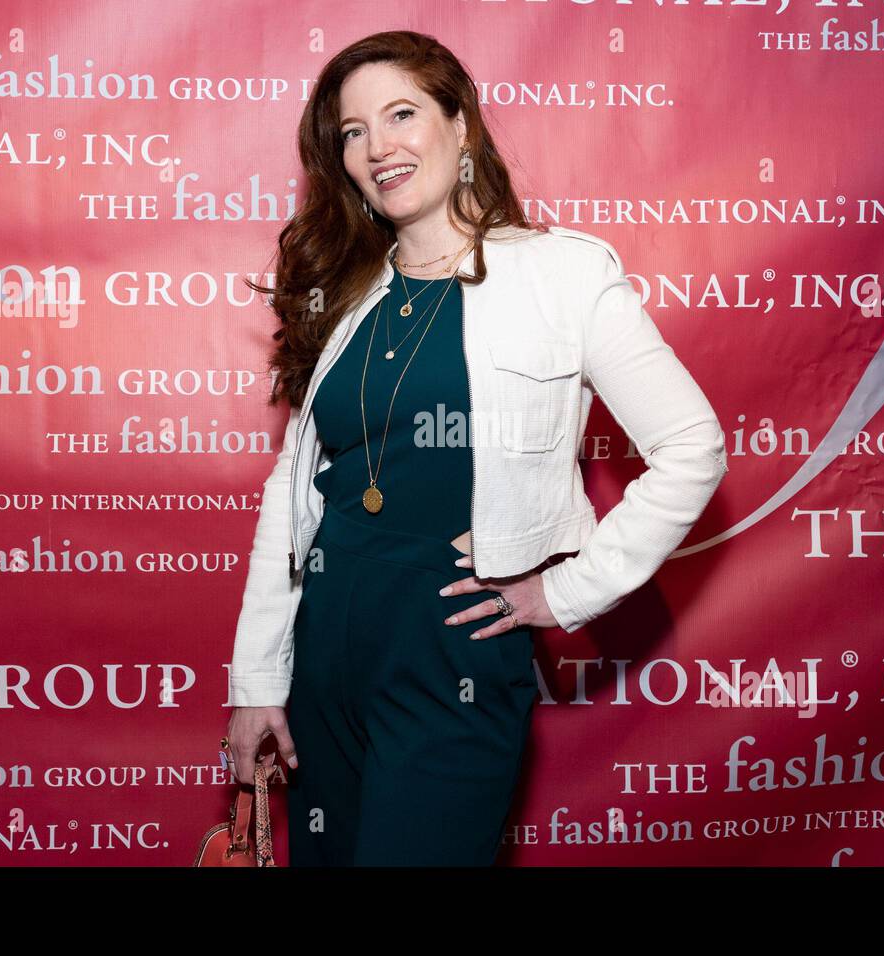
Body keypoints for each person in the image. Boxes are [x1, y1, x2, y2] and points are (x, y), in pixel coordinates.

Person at [224, 30, 727, 866]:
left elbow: (692, 446)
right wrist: (257, 682)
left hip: (451, 651)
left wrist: (566, 592)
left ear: (461, 129)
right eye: (352, 132)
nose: (378, 146)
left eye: (401, 114)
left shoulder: (561, 275)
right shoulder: (348, 294)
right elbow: (296, 489)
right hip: (325, 650)